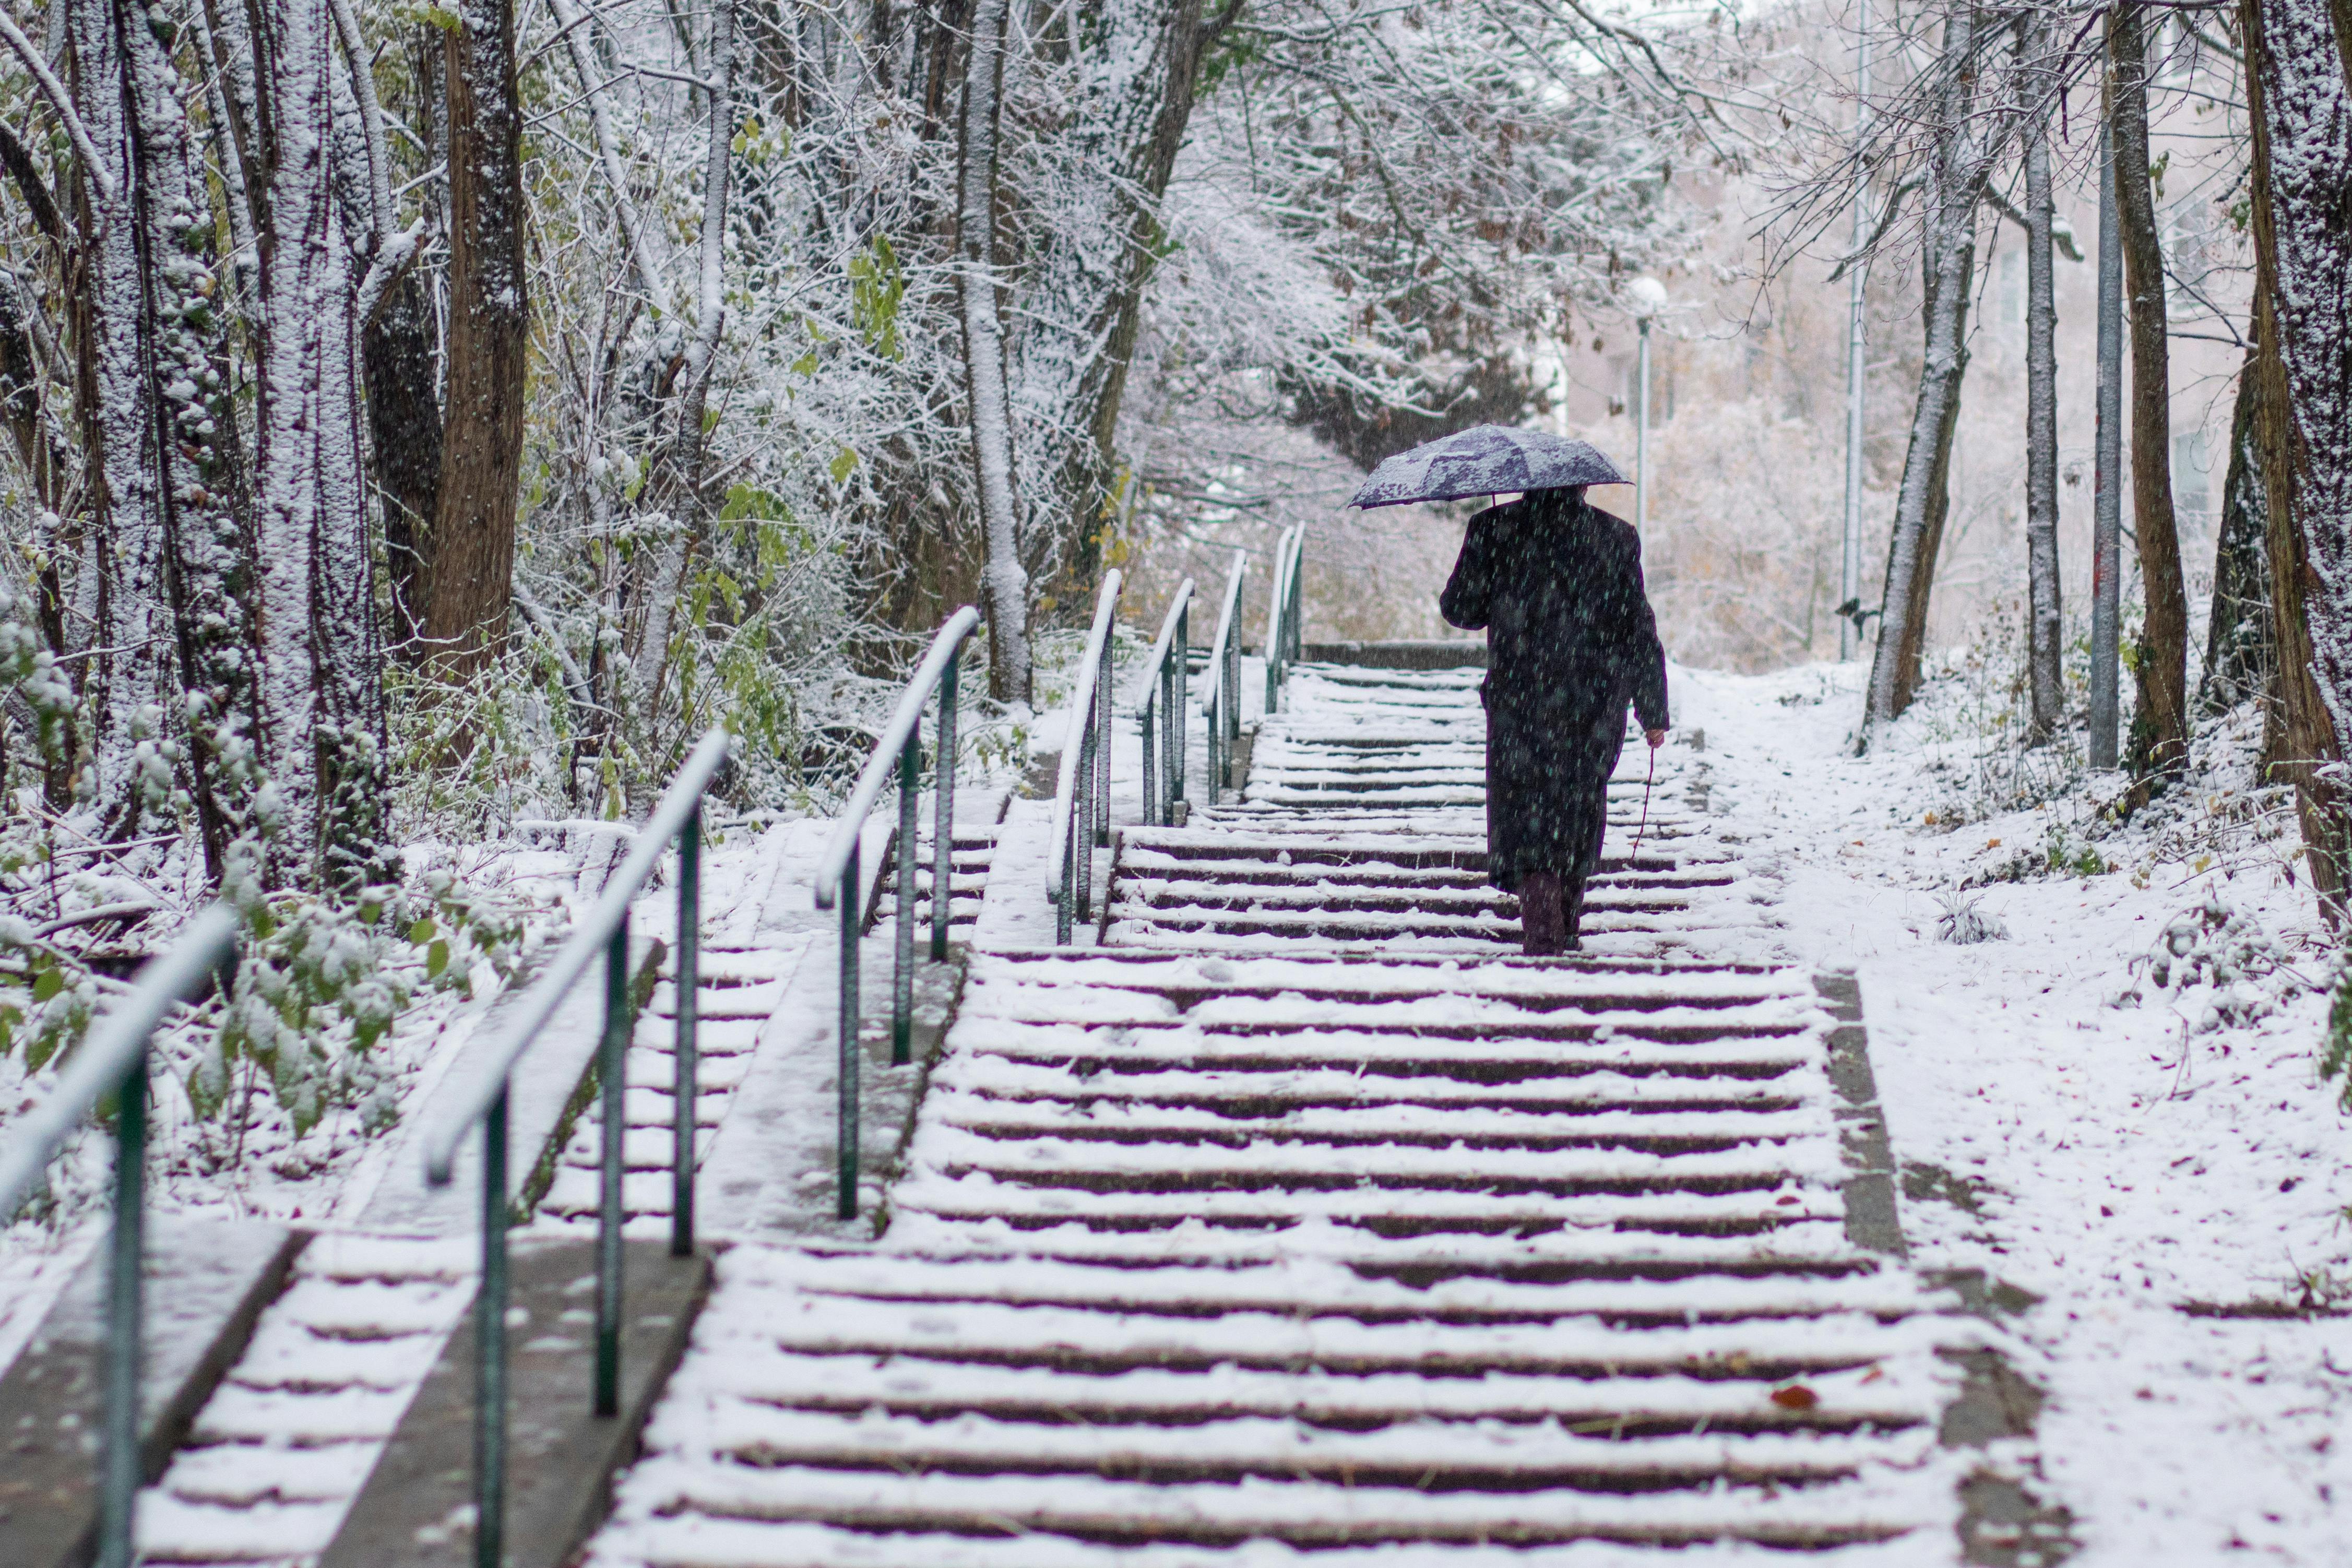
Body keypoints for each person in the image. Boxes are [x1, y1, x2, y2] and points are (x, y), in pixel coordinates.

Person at [1439, 485, 1668, 955]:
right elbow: (1637, 628)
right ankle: (1563, 917)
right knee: (1578, 806)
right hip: (1595, 700)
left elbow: (1461, 609)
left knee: (1524, 810)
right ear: (1584, 485)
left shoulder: (1494, 528)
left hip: (1521, 698)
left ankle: (1542, 922)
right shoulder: (1614, 536)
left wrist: (1497, 569)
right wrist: (1652, 711)